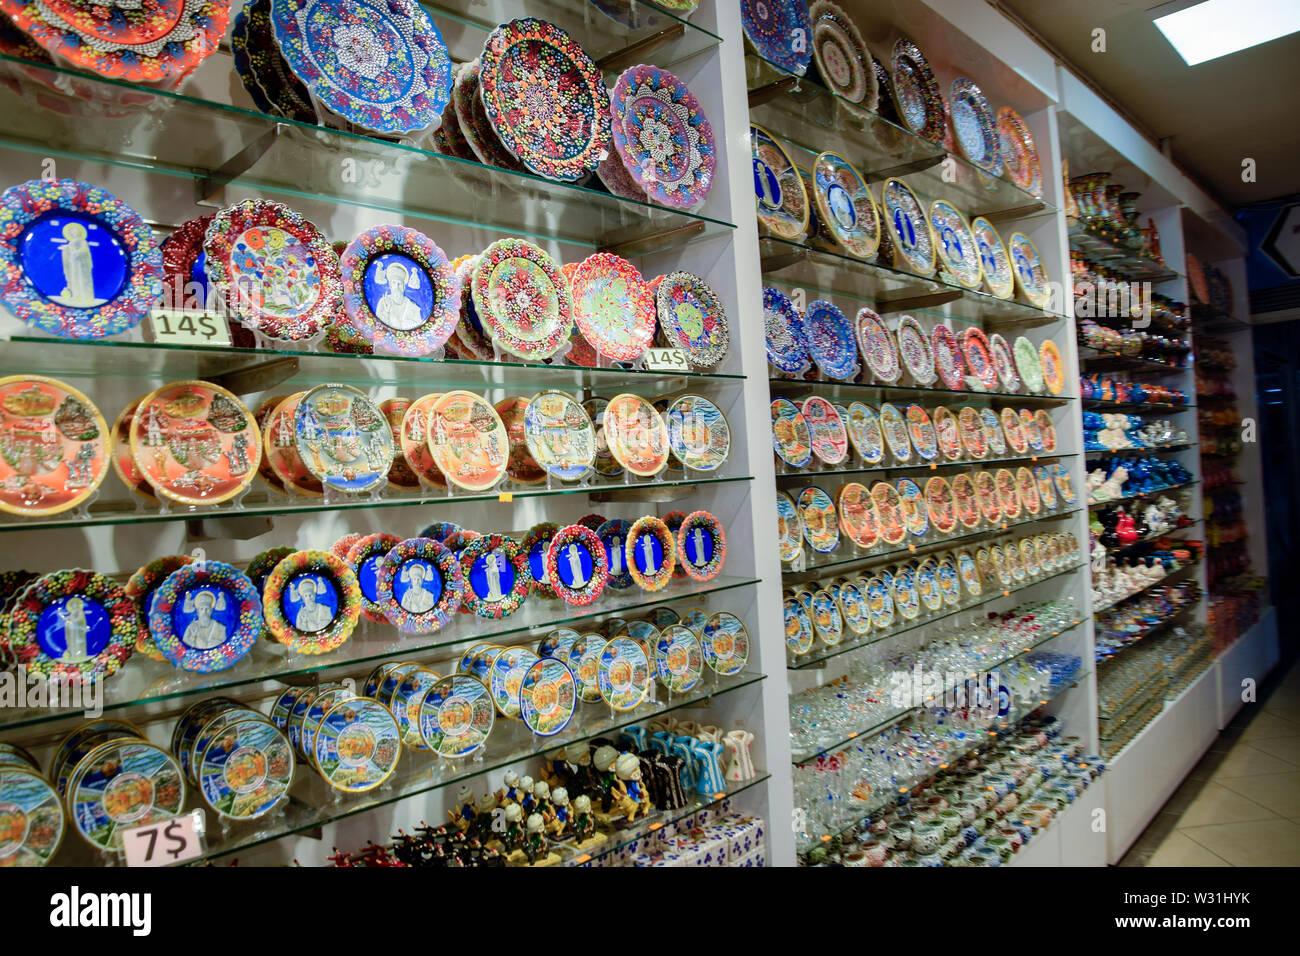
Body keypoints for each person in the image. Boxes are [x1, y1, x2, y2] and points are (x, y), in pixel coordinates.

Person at [53, 221, 101, 306]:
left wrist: (77, 252)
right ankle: (77, 296)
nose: (73, 233)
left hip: (82, 265)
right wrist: (65, 249)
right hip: (73, 265)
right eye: (71, 232)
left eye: (75, 231)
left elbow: (84, 251)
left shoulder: (83, 241)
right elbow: (68, 252)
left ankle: (86, 297)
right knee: (74, 280)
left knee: (83, 280)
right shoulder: (70, 243)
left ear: (79, 232)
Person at [372, 258, 425, 331]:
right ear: (390, 286)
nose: (396, 287)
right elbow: (377, 327)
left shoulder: (412, 307)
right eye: (394, 283)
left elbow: (417, 328)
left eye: (399, 284)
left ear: (403, 287)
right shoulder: (383, 302)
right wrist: (387, 312)